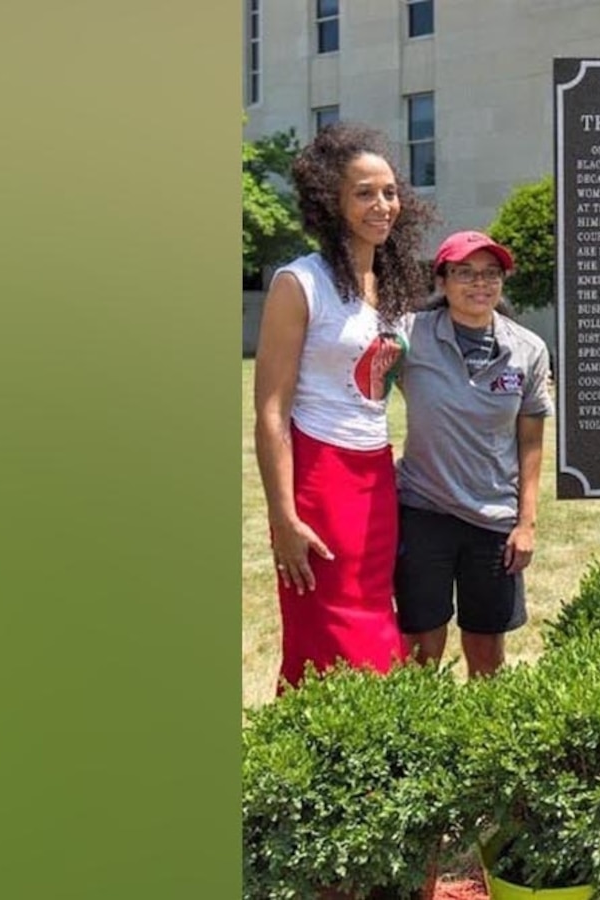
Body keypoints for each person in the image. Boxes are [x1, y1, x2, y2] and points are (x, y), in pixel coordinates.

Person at [252, 123, 437, 691]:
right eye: (363, 193)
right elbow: (270, 411)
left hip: (375, 475)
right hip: (318, 477)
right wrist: (284, 517)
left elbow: (399, 380)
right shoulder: (299, 283)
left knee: (376, 620)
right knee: (326, 635)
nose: (382, 205)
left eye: (388, 192)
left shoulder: (395, 286)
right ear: (330, 202)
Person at [394, 230, 554, 677]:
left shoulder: (528, 350)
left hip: (494, 520)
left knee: (487, 651)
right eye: (464, 273)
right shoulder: (410, 335)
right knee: (421, 647)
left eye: (490, 274)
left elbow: (531, 442)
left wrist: (526, 523)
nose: (479, 284)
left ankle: (485, 739)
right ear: (442, 281)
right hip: (424, 511)